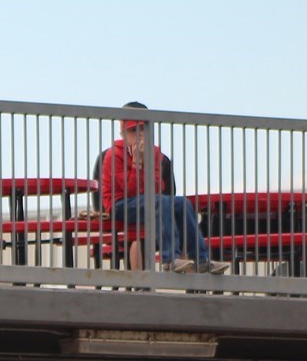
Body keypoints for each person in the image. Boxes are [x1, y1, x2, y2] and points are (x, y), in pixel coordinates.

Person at [97, 105, 227, 274]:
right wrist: (137, 162)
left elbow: (159, 187)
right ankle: (170, 259)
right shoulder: (114, 154)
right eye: (133, 130)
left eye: (143, 128)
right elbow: (130, 191)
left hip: (147, 201)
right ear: (123, 133)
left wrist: (145, 163)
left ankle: (201, 259)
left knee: (182, 203)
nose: (140, 134)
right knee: (160, 201)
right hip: (119, 204)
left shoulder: (156, 153)